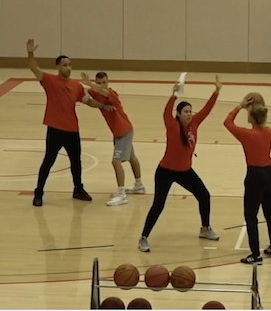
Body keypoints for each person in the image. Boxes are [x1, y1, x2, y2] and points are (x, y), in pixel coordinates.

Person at [137, 76, 222, 253]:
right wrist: (174, 94)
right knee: (158, 204)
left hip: (185, 172)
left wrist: (216, 91)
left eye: (191, 111)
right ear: (179, 114)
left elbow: (207, 109)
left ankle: (205, 228)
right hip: (165, 172)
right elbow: (166, 112)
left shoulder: (195, 124)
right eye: (186, 112)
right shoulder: (172, 125)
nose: (190, 114)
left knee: (204, 195)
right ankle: (144, 237)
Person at [26, 39, 106, 206]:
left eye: (70, 65)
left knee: (76, 162)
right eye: (65, 65)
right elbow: (34, 68)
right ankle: (39, 192)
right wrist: (30, 53)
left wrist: (103, 106)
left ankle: (78, 189)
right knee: (48, 161)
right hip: (55, 130)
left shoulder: (76, 86)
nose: (68, 68)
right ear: (58, 67)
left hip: (72, 130)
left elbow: (88, 101)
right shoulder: (49, 80)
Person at [224, 95, 271, 265]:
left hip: (255, 175)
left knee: (251, 216)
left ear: (252, 116)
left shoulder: (247, 135)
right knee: (270, 212)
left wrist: (239, 106)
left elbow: (227, 123)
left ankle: (255, 254)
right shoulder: (268, 131)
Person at [80, 71, 145, 206]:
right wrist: (86, 95)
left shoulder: (111, 94)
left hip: (124, 132)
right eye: (99, 83)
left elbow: (101, 92)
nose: (102, 85)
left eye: (104, 82)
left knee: (116, 162)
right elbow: (85, 94)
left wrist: (90, 84)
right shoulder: (96, 92)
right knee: (132, 157)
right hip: (119, 133)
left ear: (108, 82)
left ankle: (122, 194)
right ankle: (139, 186)